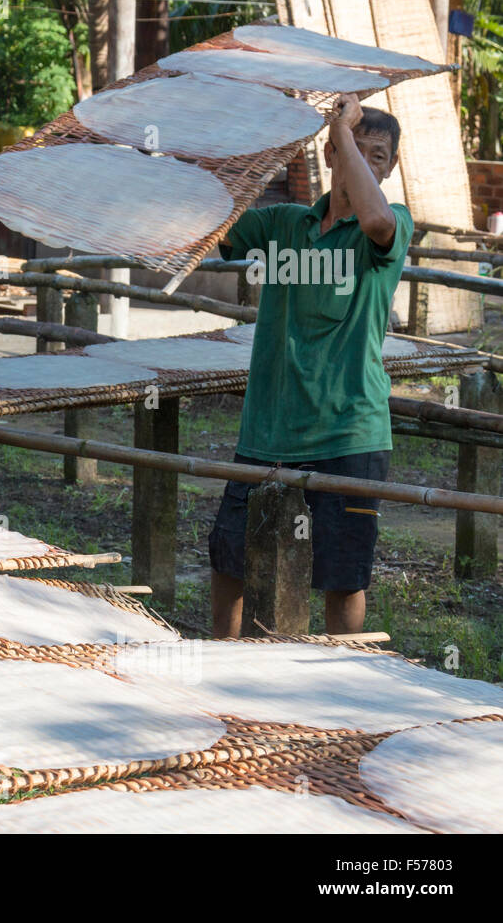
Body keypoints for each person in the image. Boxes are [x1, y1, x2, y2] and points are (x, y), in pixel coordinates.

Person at [208, 94, 413, 638]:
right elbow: (214, 224)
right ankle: (224, 669)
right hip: (267, 428)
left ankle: (337, 699)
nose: (368, 164)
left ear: (390, 169)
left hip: (348, 430)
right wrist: (258, 147)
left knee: (342, 578)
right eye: (356, 150)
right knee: (230, 562)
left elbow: (371, 216)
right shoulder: (284, 225)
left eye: (379, 157)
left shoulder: (390, 226)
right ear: (329, 155)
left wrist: (345, 132)